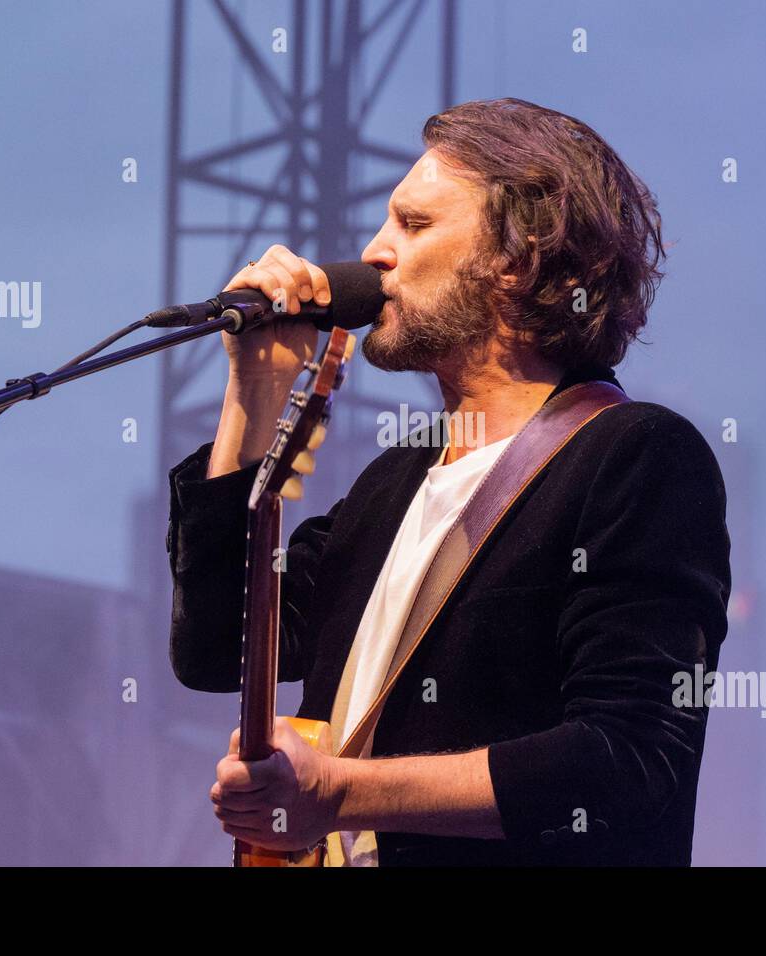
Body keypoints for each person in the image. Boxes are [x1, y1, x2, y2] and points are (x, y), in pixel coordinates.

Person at [167, 98, 731, 866]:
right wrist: (251, 398)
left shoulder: (635, 458)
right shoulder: (391, 486)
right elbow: (216, 649)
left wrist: (338, 793)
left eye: (414, 224)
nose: (373, 251)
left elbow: (627, 759)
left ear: (517, 257)